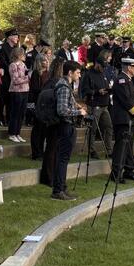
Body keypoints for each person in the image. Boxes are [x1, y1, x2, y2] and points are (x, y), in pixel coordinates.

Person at [51, 61, 85, 200]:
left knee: (63, 158)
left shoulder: (65, 85)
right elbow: (62, 110)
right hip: (65, 126)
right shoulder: (64, 87)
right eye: (77, 72)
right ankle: (58, 190)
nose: (79, 75)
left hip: (67, 126)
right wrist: (78, 112)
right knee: (62, 159)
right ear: (70, 73)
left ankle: (62, 188)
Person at [109, 57, 134, 184]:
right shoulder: (122, 80)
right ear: (129, 67)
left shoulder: (128, 80)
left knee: (128, 146)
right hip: (123, 119)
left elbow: (133, 99)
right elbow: (126, 100)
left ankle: (129, 170)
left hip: (128, 119)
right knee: (121, 148)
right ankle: (116, 173)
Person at [78, 50, 114, 159]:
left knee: (108, 127)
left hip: (104, 105)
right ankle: (92, 150)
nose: (103, 68)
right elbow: (84, 90)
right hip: (94, 105)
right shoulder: (88, 74)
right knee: (92, 129)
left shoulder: (103, 73)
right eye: (102, 66)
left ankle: (109, 150)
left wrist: (108, 90)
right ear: (97, 64)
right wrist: (97, 91)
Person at [7, 46, 30, 143]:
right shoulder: (13, 65)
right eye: (23, 54)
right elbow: (15, 80)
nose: (24, 56)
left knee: (21, 114)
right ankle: (12, 133)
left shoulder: (23, 64)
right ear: (18, 55)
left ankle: (17, 133)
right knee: (15, 113)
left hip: (25, 91)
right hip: (16, 91)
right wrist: (27, 78)